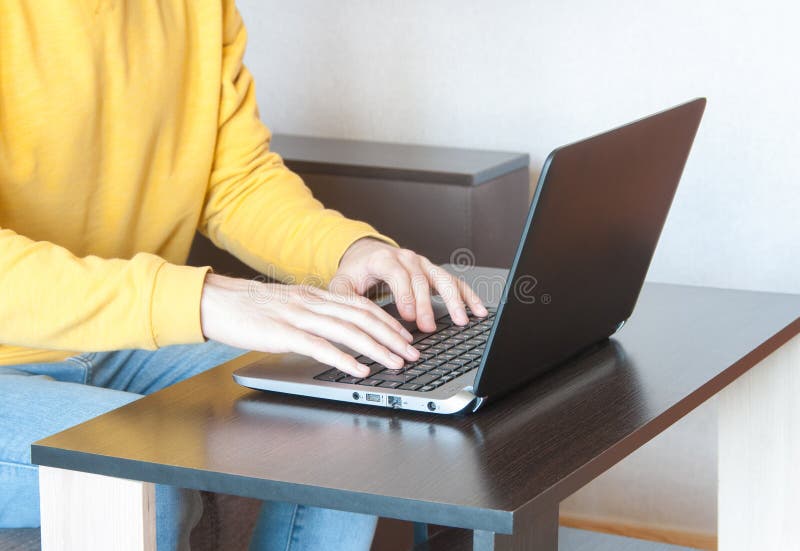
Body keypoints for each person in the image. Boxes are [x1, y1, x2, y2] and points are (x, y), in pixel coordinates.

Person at [0, 1, 486, 549]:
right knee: (138, 471)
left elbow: (233, 179)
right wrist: (200, 298)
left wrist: (347, 250)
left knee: (353, 404)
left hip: (121, 338)